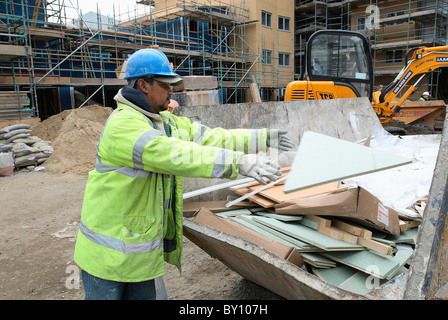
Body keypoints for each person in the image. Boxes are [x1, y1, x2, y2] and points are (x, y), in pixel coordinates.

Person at [73, 48, 294, 300]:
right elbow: (174, 154)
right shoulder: (123, 125)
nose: (172, 91)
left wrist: (262, 138)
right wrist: (237, 162)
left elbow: (212, 137)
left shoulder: (163, 122)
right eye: (166, 85)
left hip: (137, 255)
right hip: (107, 256)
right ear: (143, 85)